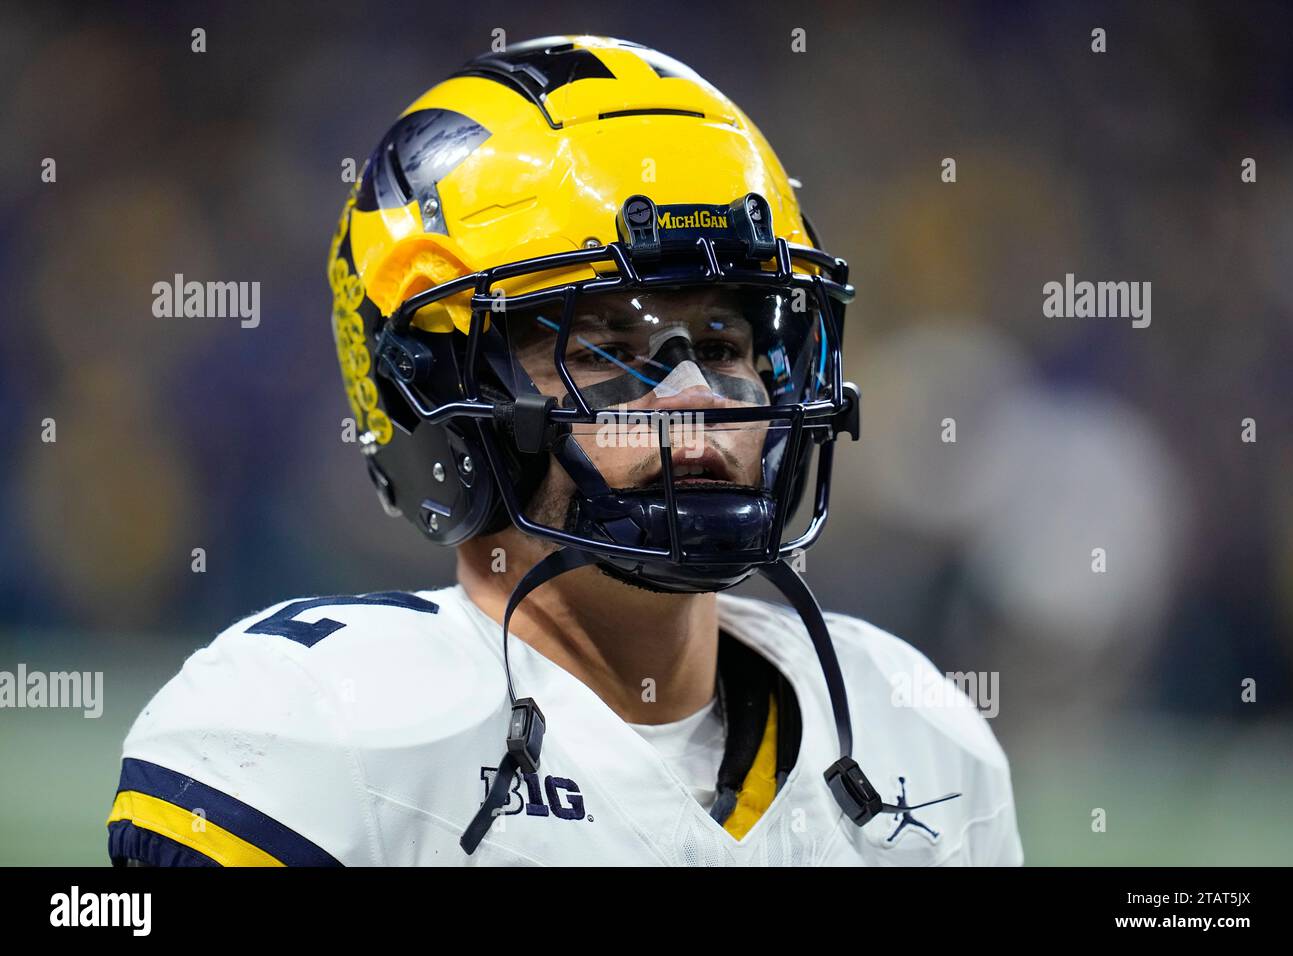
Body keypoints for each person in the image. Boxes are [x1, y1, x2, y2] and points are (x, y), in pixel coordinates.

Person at [106, 35, 1023, 866]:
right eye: (608, 351)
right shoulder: (317, 730)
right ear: (437, 395)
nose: (696, 397)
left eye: (724, 344)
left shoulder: (911, 730)